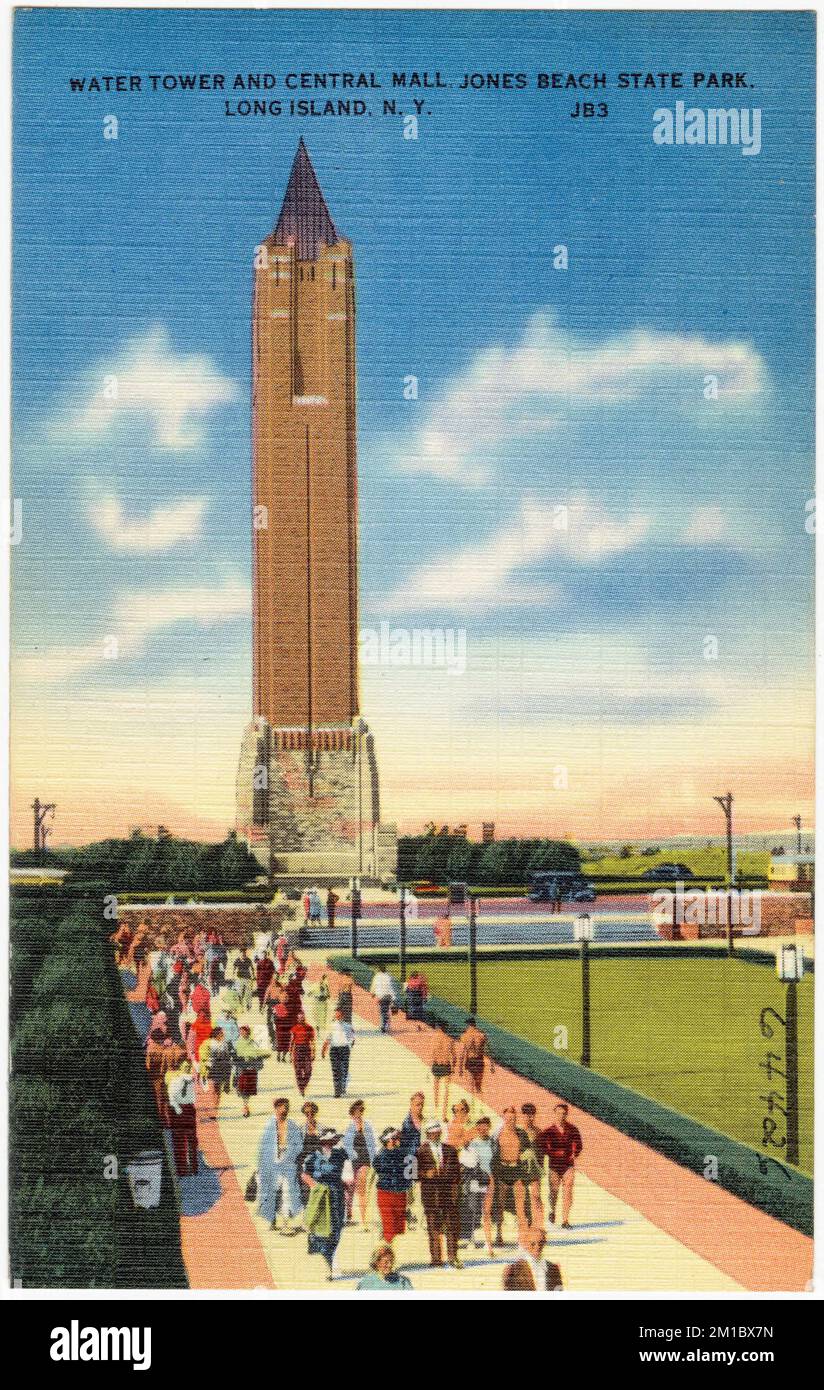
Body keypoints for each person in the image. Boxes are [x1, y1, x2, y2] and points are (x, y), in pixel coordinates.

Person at [301, 1127, 348, 1278]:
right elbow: (304, 1174)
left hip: (337, 1195)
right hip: (321, 1197)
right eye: (330, 1140)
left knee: (336, 1229)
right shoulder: (313, 1157)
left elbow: (350, 1162)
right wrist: (315, 1186)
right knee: (322, 1230)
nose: (333, 1142)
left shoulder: (340, 1154)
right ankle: (331, 1263)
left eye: (334, 1140)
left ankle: (332, 1258)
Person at [416, 1120, 462, 1269]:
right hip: (430, 1195)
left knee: (452, 1227)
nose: (435, 1135)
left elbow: (457, 1173)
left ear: (440, 1133)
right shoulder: (420, 1151)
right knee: (433, 1227)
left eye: (437, 1132)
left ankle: (453, 1257)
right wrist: (425, 1174)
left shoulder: (450, 1150)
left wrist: (455, 1192)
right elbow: (411, 1173)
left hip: (448, 1194)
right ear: (427, 1134)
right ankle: (436, 1258)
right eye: (432, 1133)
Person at [257, 1097, 304, 1235]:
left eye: (286, 1110)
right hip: (272, 1163)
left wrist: (289, 1156)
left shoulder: (293, 1126)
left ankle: (285, 1224)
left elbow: (298, 1146)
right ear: (276, 1109)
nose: (284, 1112)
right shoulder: (269, 1126)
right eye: (282, 1109)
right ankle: (272, 1220)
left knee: (287, 1193)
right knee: (271, 1193)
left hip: (288, 1163)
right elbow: (263, 1149)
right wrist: (261, 1168)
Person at [540, 1102, 583, 1229]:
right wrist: (558, 1153)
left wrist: (575, 1154)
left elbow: (579, 1145)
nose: (561, 1116)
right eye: (558, 1113)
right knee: (554, 1192)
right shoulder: (548, 1131)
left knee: (568, 1190)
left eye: (563, 1114)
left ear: (567, 1114)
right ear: (554, 1114)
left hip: (568, 1165)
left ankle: (565, 1220)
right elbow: (545, 1149)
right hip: (554, 1166)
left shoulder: (573, 1129)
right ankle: (552, 1210)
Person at [492, 1106, 529, 1242]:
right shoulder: (497, 1133)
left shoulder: (521, 1133)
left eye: (512, 1118)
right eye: (507, 1118)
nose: (510, 1121)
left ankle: (522, 1235)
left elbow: (527, 1153)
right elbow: (493, 1153)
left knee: (520, 1204)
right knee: (500, 1203)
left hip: (516, 1169)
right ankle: (499, 1233)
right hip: (502, 1169)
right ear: (503, 1118)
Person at [462, 1114, 495, 1257]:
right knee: (473, 1208)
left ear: (489, 1127)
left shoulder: (493, 1143)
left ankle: (489, 1244)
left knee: (486, 1212)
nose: (482, 1129)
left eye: (485, 1126)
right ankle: (471, 1238)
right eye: (480, 1126)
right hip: (475, 1179)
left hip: (490, 1179)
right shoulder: (472, 1143)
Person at [342, 1099, 377, 1228]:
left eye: (361, 1111)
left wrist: (374, 1160)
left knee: (361, 1187)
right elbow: (346, 1146)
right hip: (353, 1162)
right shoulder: (350, 1128)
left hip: (366, 1161)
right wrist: (353, 1155)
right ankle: (351, 1215)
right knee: (353, 1190)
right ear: (352, 1113)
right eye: (357, 1111)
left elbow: (372, 1144)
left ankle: (364, 1220)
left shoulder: (367, 1126)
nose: (359, 1114)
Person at [372, 1126, 409, 1243]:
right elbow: (375, 1172)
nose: (398, 1140)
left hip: (400, 1193)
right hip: (385, 1193)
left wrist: (409, 1190)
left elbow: (408, 1175)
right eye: (395, 1138)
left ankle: (389, 1246)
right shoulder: (379, 1156)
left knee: (398, 1227)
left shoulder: (403, 1154)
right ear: (388, 1140)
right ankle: (386, 1247)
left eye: (397, 1138)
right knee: (389, 1225)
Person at [166, 1056, 198, 1177]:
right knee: (181, 1141)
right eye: (185, 1067)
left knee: (191, 1140)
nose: (188, 1069)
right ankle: (184, 1169)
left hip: (187, 1110)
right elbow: (171, 1097)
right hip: (180, 1110)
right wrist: (178, 1109)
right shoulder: (176, 1080)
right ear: (180, 1068)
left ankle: (191, 1168)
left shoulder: (189, 1080)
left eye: (189, 1067)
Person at [233, 1024, 269, 1118]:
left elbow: (259, 1052)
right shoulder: (238, 1042)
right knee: (242, 1089)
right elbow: (235, 1055)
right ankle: (245, 1106)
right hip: (242, 1068)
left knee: (247, 1090)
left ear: (248, 1032)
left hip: (251, 1068)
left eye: (244, 1031)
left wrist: (260, 1056)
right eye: (241, 1031)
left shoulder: (253, 1042)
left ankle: (245, 1106)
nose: (242, 1033)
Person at [520, 1103, 545, 1227]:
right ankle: (524, 1221)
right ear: (522, 1116)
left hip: (534, 1169)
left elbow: (542, 1152)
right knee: (522, 1197)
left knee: (536, 1196)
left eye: (531, 1116)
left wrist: (540, 1169)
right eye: (527, 1116)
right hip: (521, 1169)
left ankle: (539, 1223)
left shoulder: (539, 1132)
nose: (529, 1118)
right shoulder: (518, 1131)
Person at [458, 1016, 493, 1106]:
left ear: (469, 1025)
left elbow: (462, 1053)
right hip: (479, 1062)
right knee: (478, 1087)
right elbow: (489, 1051)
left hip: (470, 1062)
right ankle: (480, 1107)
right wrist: (492, 1065)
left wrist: (460, 1068)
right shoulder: (482, 1035)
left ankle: (471, 1108)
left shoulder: (465, 1036)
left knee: (470, 1087)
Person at [199, 1026, 232, 1118]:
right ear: (216, 1034)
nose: (223, 1035)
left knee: (217, 1091)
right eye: (221, 1033)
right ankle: (211, 1110)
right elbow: (203, 1056)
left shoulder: (224, 1044)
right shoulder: (207, 1043)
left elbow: (227, 1057)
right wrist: (210, 1062)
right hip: (210, 1070)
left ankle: (214, 1111)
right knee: (212, 1090)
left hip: (221, 1069)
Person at [321, 1008, 355, 1098]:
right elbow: (327, 1039)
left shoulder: (348, 1026)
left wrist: (350, 1045)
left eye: (339, 1015)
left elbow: (352, 1038)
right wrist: (323, 1050)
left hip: (344, 1049)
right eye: (336, 1015)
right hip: (334, 1050)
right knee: (336, 1071)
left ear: (342, 1016)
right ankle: (337, 1091)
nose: (337, 1017)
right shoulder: (331, 1026)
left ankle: (343, 1087)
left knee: (344, 1070)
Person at [430, 1023, 457, 1119]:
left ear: (439, 1028)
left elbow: (432, 1053)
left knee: (436, 1089)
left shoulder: (435, 1038)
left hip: (437, 1065)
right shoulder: (449, 1040)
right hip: (446, 1066)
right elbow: (454, 1057)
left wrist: (431, 1065)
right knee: (446, 1091)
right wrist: (453, 1068)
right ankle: (444, 1115)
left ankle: (435, 1111)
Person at [289, 1010, 316, 1096]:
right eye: (299, 1018)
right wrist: (290, 1054)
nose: (301, 1019)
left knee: (308, 1070)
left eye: (303, 1017)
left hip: (306, 1049)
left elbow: (312, 1041)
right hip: (297, 1049)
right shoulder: (294, 1028)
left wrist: (313, 1053)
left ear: (305, 1017)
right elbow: (292, 1041)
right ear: (297, 1019)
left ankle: (303, 1085)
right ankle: (301, 1088)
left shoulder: (309, 1028)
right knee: (298, 1071)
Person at [370, 964, 397, 1034]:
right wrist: (393, 998)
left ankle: (383, 1026)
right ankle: (386, 1024)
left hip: (381, 996)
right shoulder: (389, 976)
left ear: (379, 969)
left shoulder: (377, 976)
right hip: (388, 996)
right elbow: (392, 987)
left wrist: (372, 993)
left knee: (382, 1011)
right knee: (386, 1010)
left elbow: (374, 985)